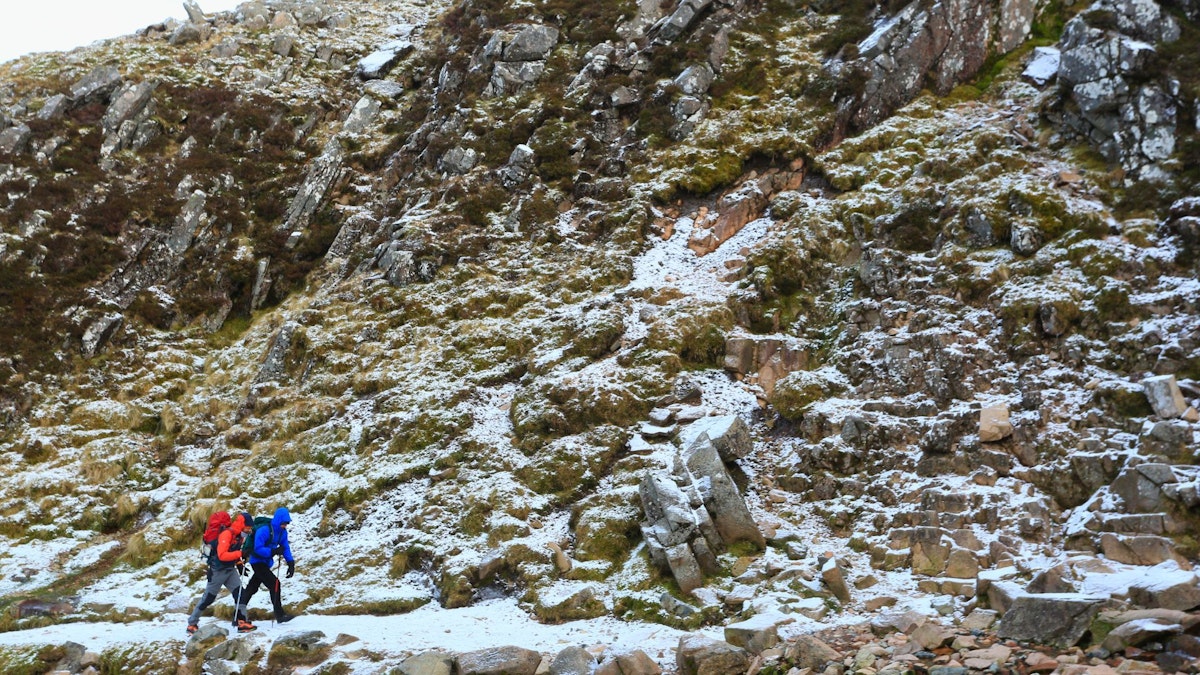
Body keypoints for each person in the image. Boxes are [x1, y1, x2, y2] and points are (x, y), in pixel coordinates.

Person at [187, 512, 256, 634]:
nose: (249, 530)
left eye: (250, 528)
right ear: (242, 525)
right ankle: (192, 623)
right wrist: (241, 554)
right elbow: (222, 555)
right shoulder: (227, 534)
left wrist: (239, 563)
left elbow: (233, 551)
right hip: (218, 571)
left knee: (241, 594)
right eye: (248, 527)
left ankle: (242, 621)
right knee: (208, 598)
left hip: (230, 570)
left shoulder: (239, 536)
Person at [238, 506, 296, 623]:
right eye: (284, 523)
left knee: (251, 588)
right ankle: (280, 615)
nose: (285, 526)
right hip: (257, 561)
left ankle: (238, 615)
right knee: (275, 584)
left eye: (287, 524)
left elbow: (285, 547)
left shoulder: (282, 533)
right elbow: (257, 548)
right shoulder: (264, 530)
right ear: (279, 520)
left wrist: (290, 562)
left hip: (266, 562)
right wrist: (273, 551)